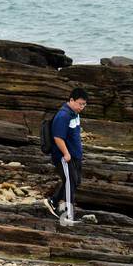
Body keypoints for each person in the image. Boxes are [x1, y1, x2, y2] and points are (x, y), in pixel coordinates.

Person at [43, 88, 87, 226]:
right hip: (65, 156)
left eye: (84, 104)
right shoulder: (63, 115)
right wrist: (67, 153)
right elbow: (58, 138)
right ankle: (67, 216)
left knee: (75, 181)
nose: (82, 107)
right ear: (71, 100)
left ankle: (53, 201)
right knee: (69, 182)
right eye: (80, 103)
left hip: (75, 155)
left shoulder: (75, 114)